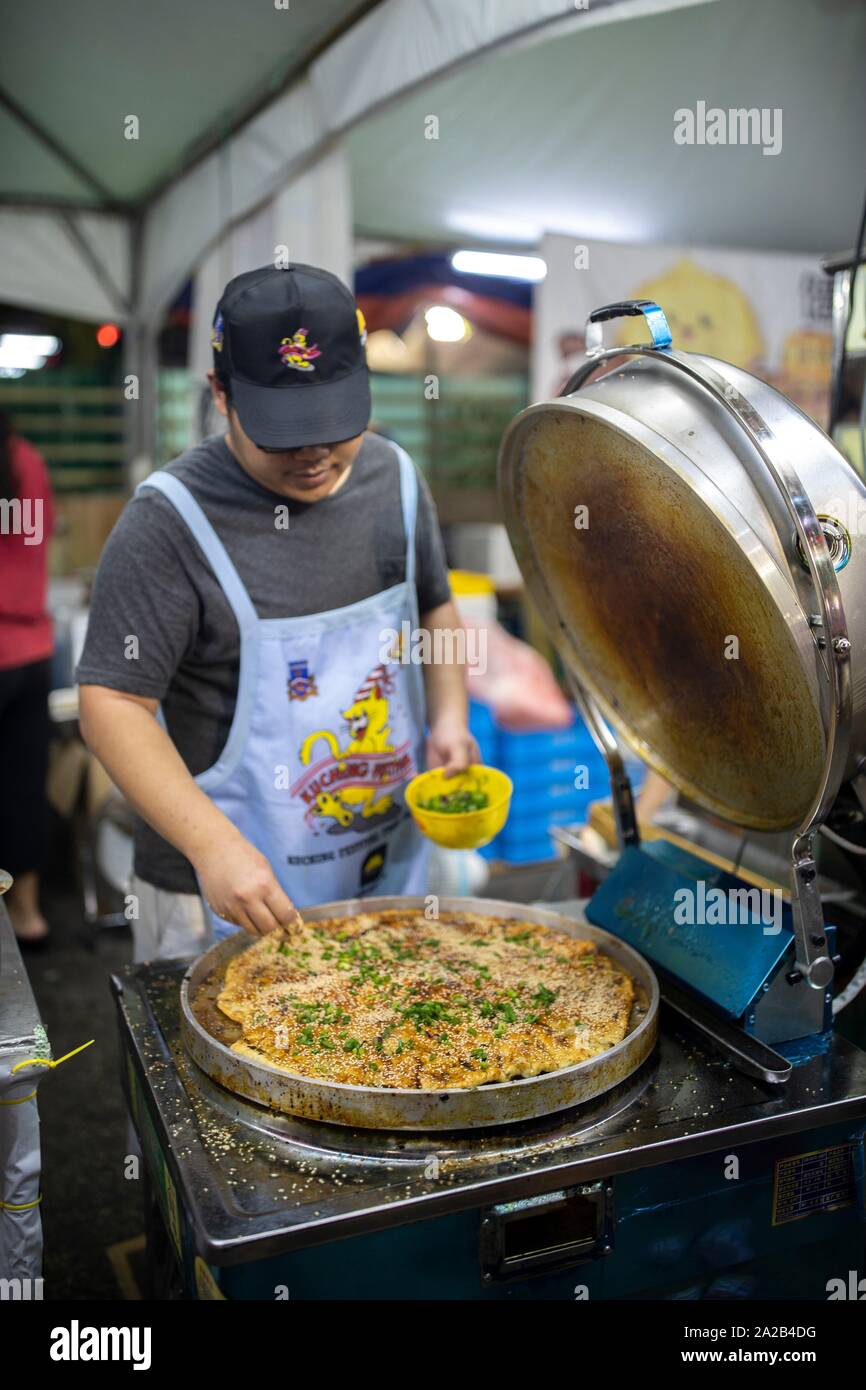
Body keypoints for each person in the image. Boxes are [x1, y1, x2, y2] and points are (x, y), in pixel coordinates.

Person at [78, 263, 477, 959]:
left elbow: (435, 610)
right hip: (220, 895)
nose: (316, 454)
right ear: (221, 393)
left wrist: (449, 718)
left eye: (334, 422)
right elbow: (112, 702)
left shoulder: (396, 479)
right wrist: (212, 847)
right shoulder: (169, 523)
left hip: (388, 871)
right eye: (284, 433)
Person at [0, 409, 54, 943]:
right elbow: (35, 546)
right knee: (22, 786)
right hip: (29, 652)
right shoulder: (27, 462)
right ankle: (29, 915)